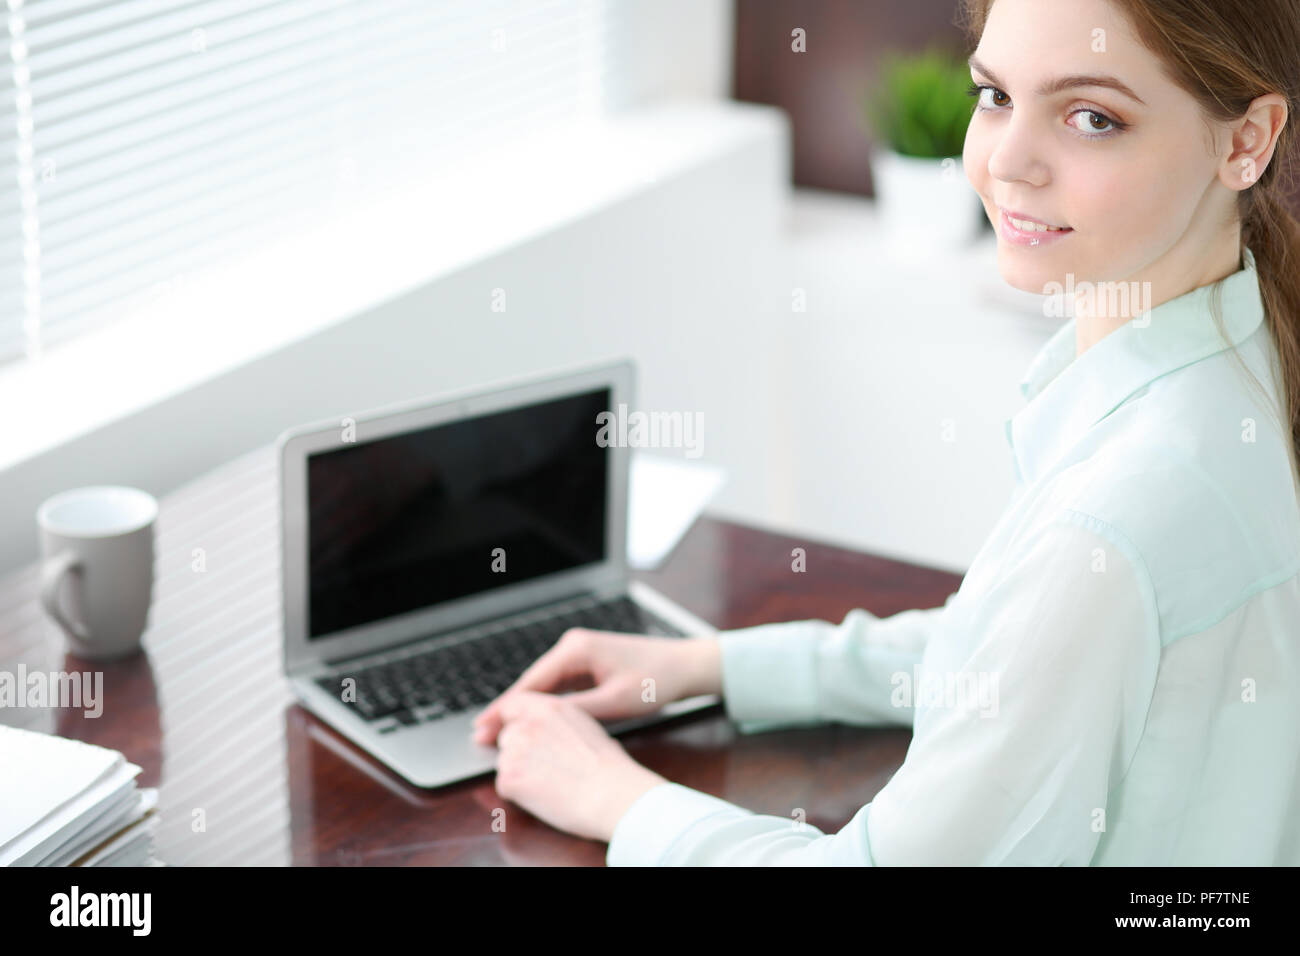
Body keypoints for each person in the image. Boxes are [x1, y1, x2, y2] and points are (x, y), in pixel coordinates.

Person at [471, 0, 1300, 865]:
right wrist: (714, 667)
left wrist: (618, 799)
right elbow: (1016, 653)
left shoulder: (1122, 515)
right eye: (995, 95)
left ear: (1246, 141)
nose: (1006, 162)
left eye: (1092, 118)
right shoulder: (1234, 360)